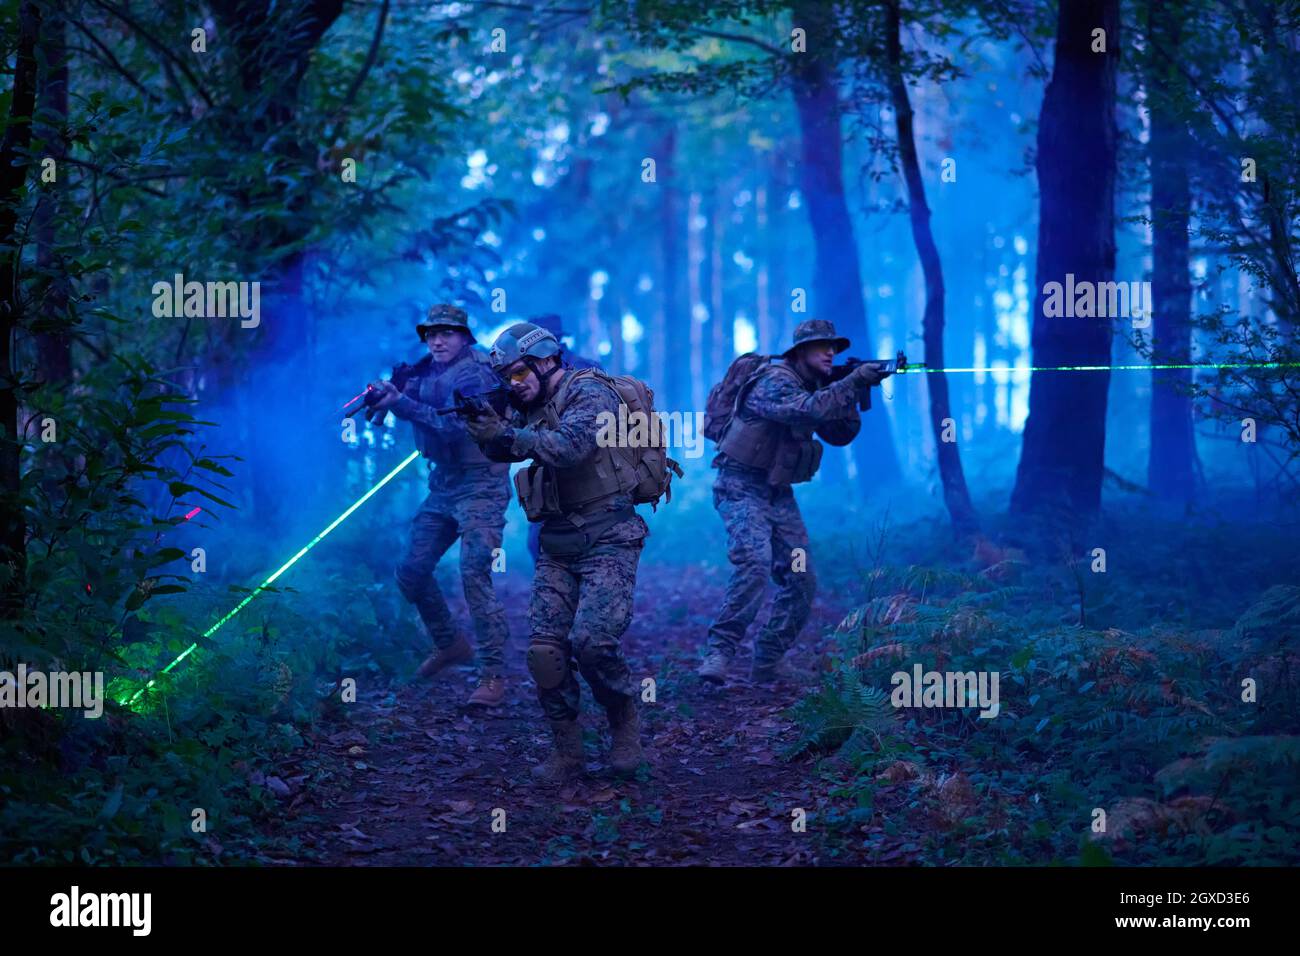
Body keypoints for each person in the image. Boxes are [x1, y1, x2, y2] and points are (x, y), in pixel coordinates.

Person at [462, 321, 647, 781]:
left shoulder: (591, 392)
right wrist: (486, 430)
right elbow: (503, 454)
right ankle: (567, 751)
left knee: (592, 643)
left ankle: (624, 723)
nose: (514, 384)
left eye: (520, 373)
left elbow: (571, 448)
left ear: (547, 360)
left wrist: (505, 434)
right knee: (545, 652)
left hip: (609, 536)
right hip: (558, 541)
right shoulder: (529, 404)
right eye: (507, 378)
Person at [697, 319, 884, 685]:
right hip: (739, 486)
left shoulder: (817, 386)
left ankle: (768, 661)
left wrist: (853, 393)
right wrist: (853, 381)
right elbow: (805, 411)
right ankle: (719, 653)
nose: (831, 352)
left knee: (801, 578)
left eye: (835, 347)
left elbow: (841, 435)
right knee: (754, 563)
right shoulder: (775, 381)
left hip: (777, 492)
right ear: (800, 352)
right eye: (822, 347)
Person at [366, 304, 512, 708]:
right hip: (444, 483)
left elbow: (452, 425)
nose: (437, 339)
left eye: (447, 333)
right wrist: (387, 396)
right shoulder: (424, 371)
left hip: (482, 483)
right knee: (411, 572)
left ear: (465, 337)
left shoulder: (476, 374)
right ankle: (449, 644)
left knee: (474, 572)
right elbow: (407, 405)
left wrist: (401, 404)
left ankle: (493, 675)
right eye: (431, 333)